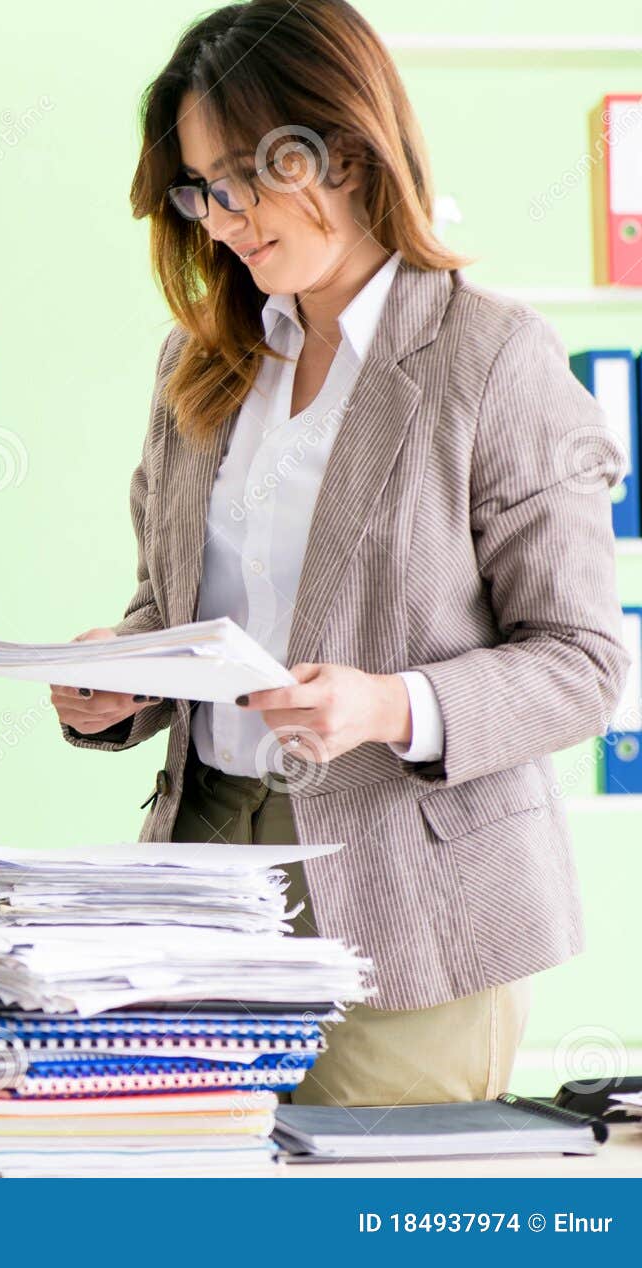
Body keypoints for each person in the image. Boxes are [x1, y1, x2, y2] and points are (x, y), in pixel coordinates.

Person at [50, 0, 627, 1106]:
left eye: (243, 178)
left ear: (348, 149)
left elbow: (580, 662)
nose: (220, 218)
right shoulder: (201, 360)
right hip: (207, 865)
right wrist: (119, 680)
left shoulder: (490, 355)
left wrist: (387, 703)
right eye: (197, 188)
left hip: (409, 887)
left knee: (367, 1218)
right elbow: (174, 608)